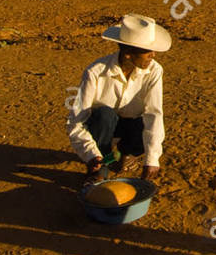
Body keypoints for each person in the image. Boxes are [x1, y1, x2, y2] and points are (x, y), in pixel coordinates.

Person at [67, 14, 171, 183]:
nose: (153, 55)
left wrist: (152, 160)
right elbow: (76, 122)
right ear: (128, 53)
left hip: (131, 128)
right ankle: (102, 165)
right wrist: (91, 155)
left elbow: (154, 114)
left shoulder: (154, 71)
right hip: (102, 130)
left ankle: (125, 153)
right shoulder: (95, 72)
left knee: (145, 121)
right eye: (147, 51)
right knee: (104, 115)